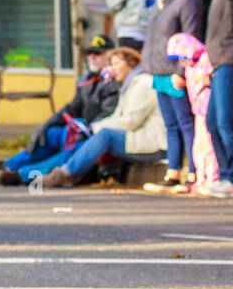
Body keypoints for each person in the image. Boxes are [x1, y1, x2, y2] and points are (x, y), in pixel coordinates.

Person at [0, 34, 120, 184]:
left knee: (72, 135)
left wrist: (82, 127)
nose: (92, 56)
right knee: (50, 134)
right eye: (89, 52)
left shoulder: (112, 82)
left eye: (97, 53)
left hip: (92, 133)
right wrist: (46, 126)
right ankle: (7, 165)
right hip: (77, 130)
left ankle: (21, 175)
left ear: (111, 55)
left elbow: (106, 115)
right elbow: (71, 108)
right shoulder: (86, 79)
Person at [28, 48, 166, 188]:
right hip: (138, 139)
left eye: (117, 63)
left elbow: (130, 121)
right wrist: (92, 128)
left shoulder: (143, 84)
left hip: (152, 145)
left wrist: (94, 128)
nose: (113, 69)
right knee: (82, 135)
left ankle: (64, 174)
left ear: (131, 63)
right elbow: (117, 117)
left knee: (105, 135)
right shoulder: (129, 85)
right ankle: (52, 173)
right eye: (111, 64)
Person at [140, 0, 204, 191]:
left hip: (176, 72)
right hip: (159, 71)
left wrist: (180, 69)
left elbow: (191, 35)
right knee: (171, 124)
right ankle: (174, 171)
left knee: (186, 122)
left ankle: (194, 172)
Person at [202, 0, 233, 197]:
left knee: (226, 122)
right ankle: (226, 175)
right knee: (212, 122)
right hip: (218, 63)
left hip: (230, 61)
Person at [165, 33, 219, 195]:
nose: (182, 62)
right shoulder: (189, 67)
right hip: (197, 110)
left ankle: (212, 178)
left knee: (209, 146)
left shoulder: (204, 59)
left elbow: (211, 78)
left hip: (207, 108)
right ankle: (201, 178)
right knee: (199, 145)